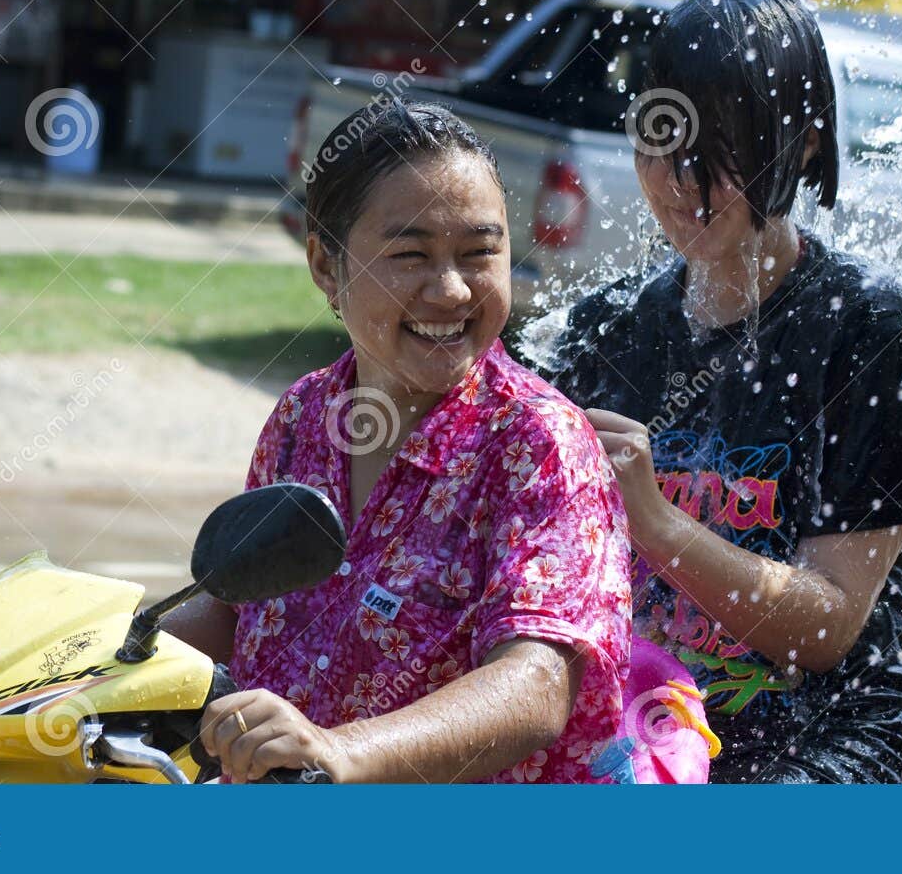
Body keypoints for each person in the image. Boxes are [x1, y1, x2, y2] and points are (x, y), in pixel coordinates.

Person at [543, 0, 902, 782]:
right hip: (646, 741)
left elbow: (828, 625)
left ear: (802, 141)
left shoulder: (874, 330)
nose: (681, 182)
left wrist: (655, 524)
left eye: (721, 147)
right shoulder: (604, 332)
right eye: (659, 141)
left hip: (836, 753)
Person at [169, 101, 634, 783]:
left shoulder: (536, 444)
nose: (450, 290)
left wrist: (343, 750)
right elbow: (238, 605)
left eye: (479, 252)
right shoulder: (304, 415)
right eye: (410, 254)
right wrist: (78, 657)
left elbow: (536, 683)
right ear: (327, 266)